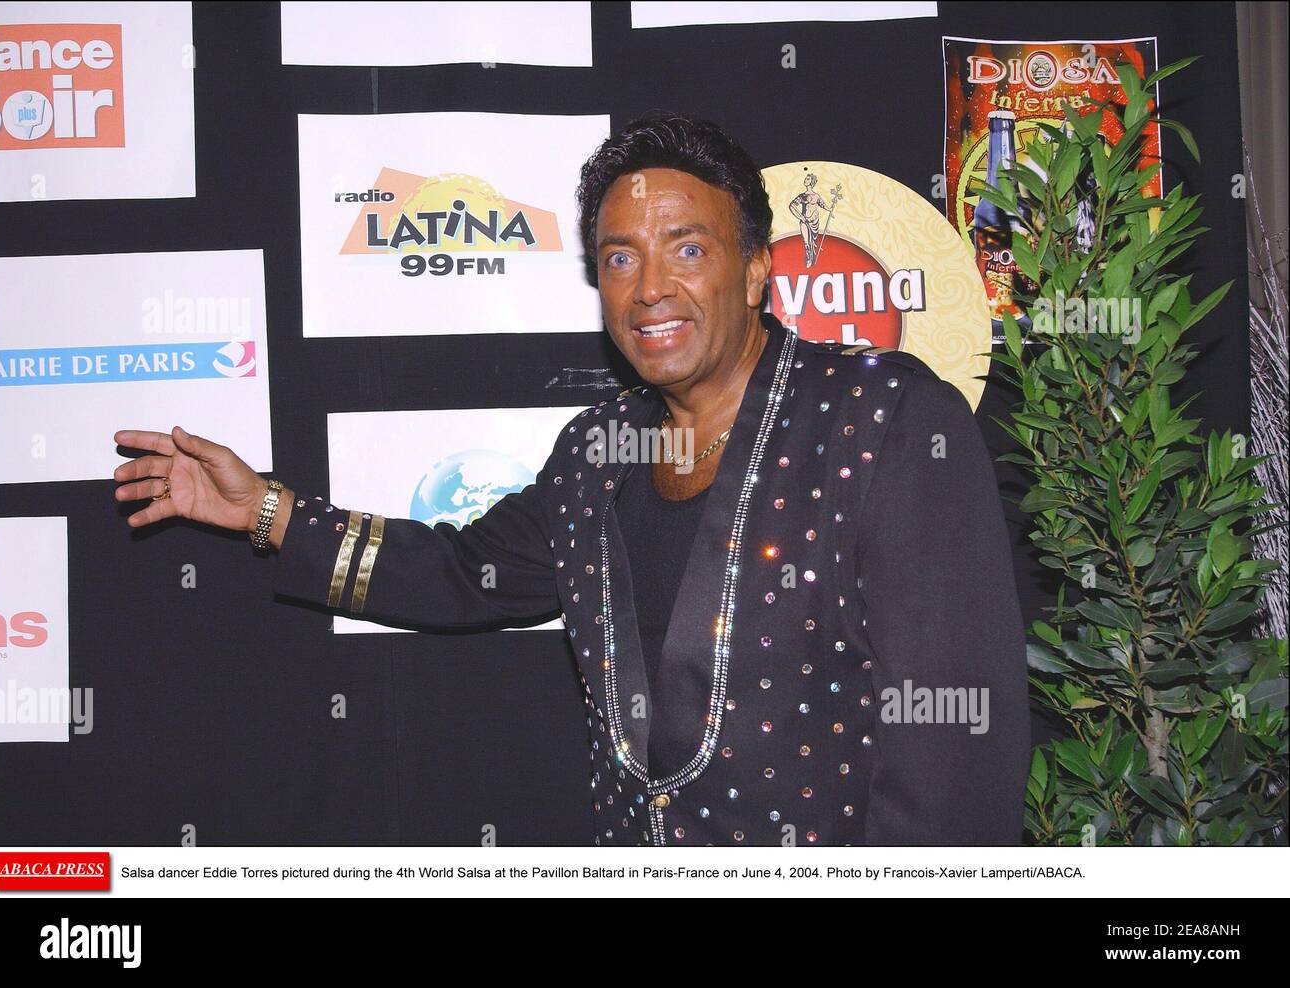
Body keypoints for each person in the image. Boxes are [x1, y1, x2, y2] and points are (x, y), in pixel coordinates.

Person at [114, 112, 1030, 846]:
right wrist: (270, 511)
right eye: (619, 258)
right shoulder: (599, 452)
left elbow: (957, 747)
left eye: (687, 249)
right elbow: (460, 573)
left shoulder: (884, 423)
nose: (648, 289)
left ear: (756, 270)